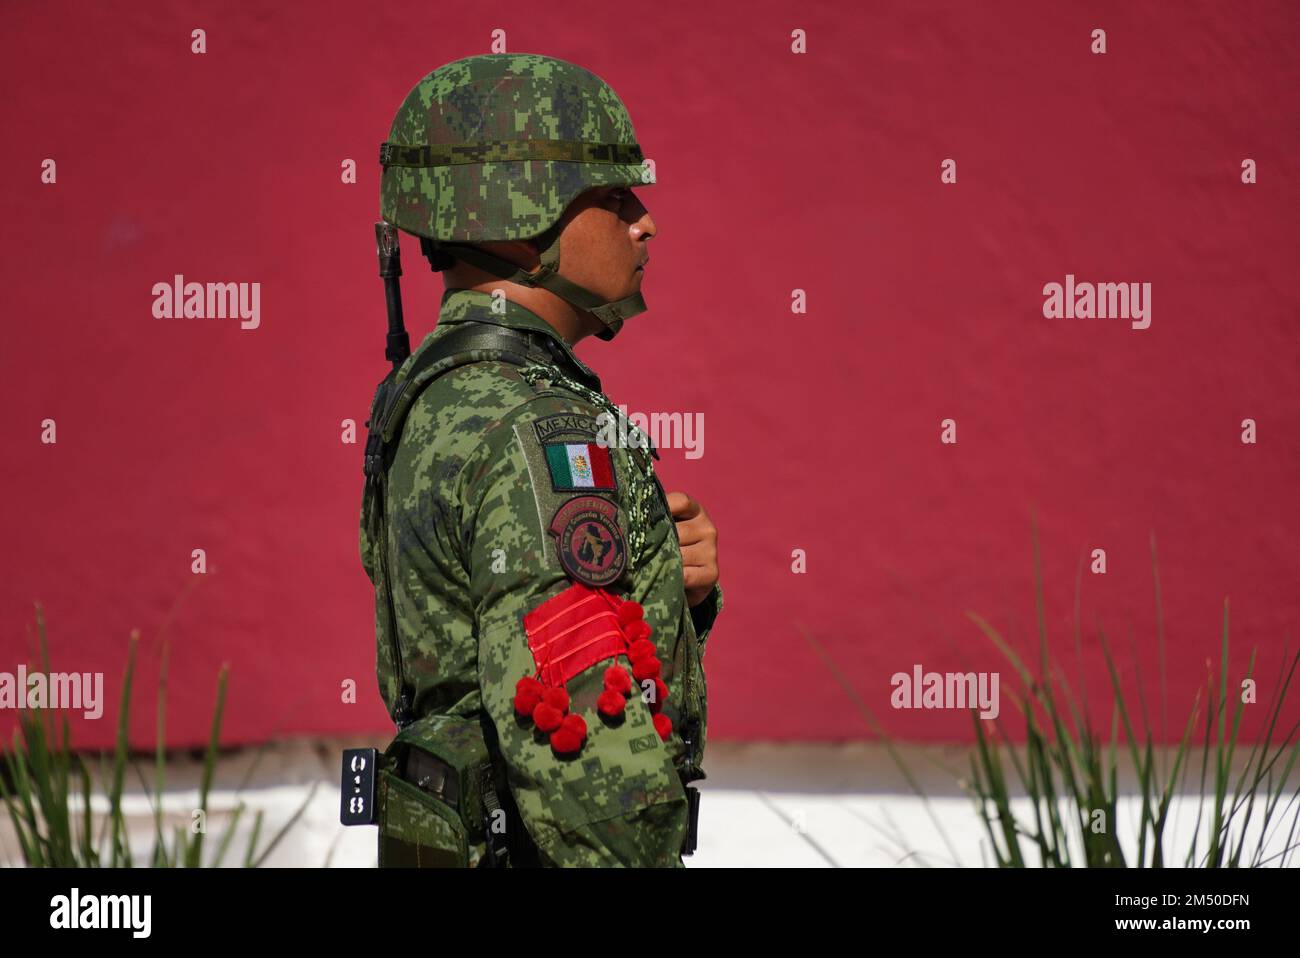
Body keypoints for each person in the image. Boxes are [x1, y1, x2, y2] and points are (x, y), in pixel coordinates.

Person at [359, 52, 723, 867]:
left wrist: (666, 582)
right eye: (613, 198)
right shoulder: (543, 431)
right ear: (522, 216)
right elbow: (585, 753)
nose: (645, 223)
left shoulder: (433, 397)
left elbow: (472, 644)